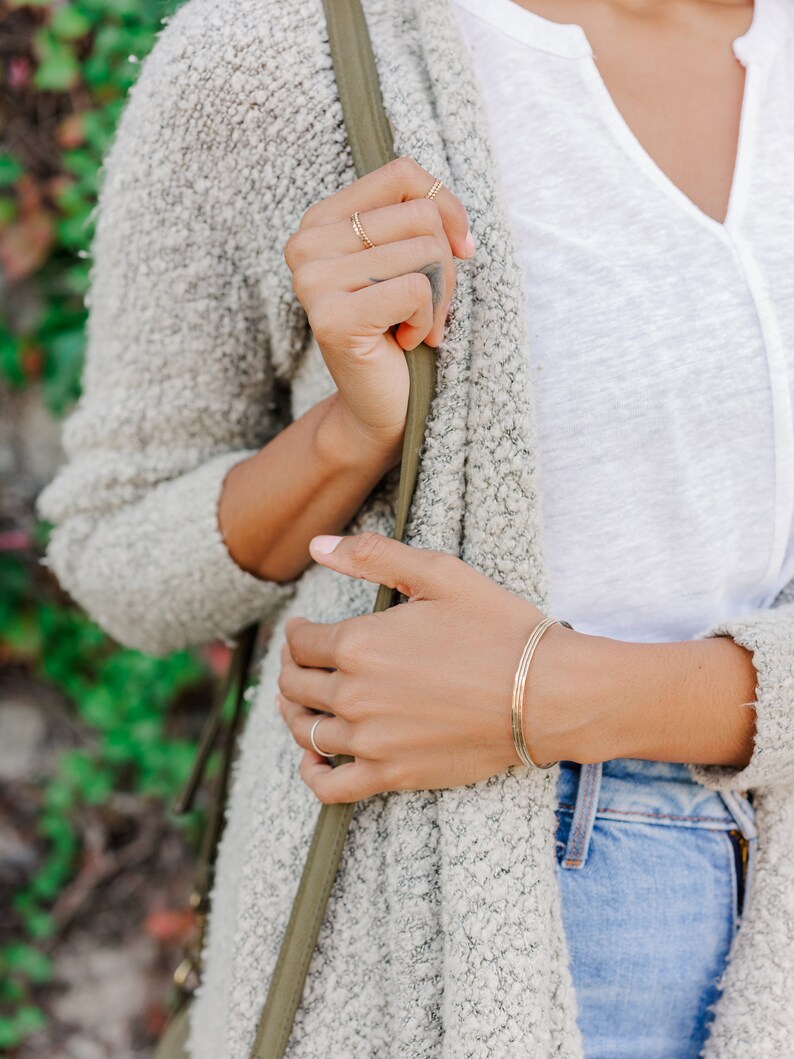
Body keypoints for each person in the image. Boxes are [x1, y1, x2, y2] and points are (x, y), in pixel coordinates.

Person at [37, 0, 794, 1055]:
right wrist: (351, 435)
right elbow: (119, 550)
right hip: (426, 943)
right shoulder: (273, 53)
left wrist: (550, 691)